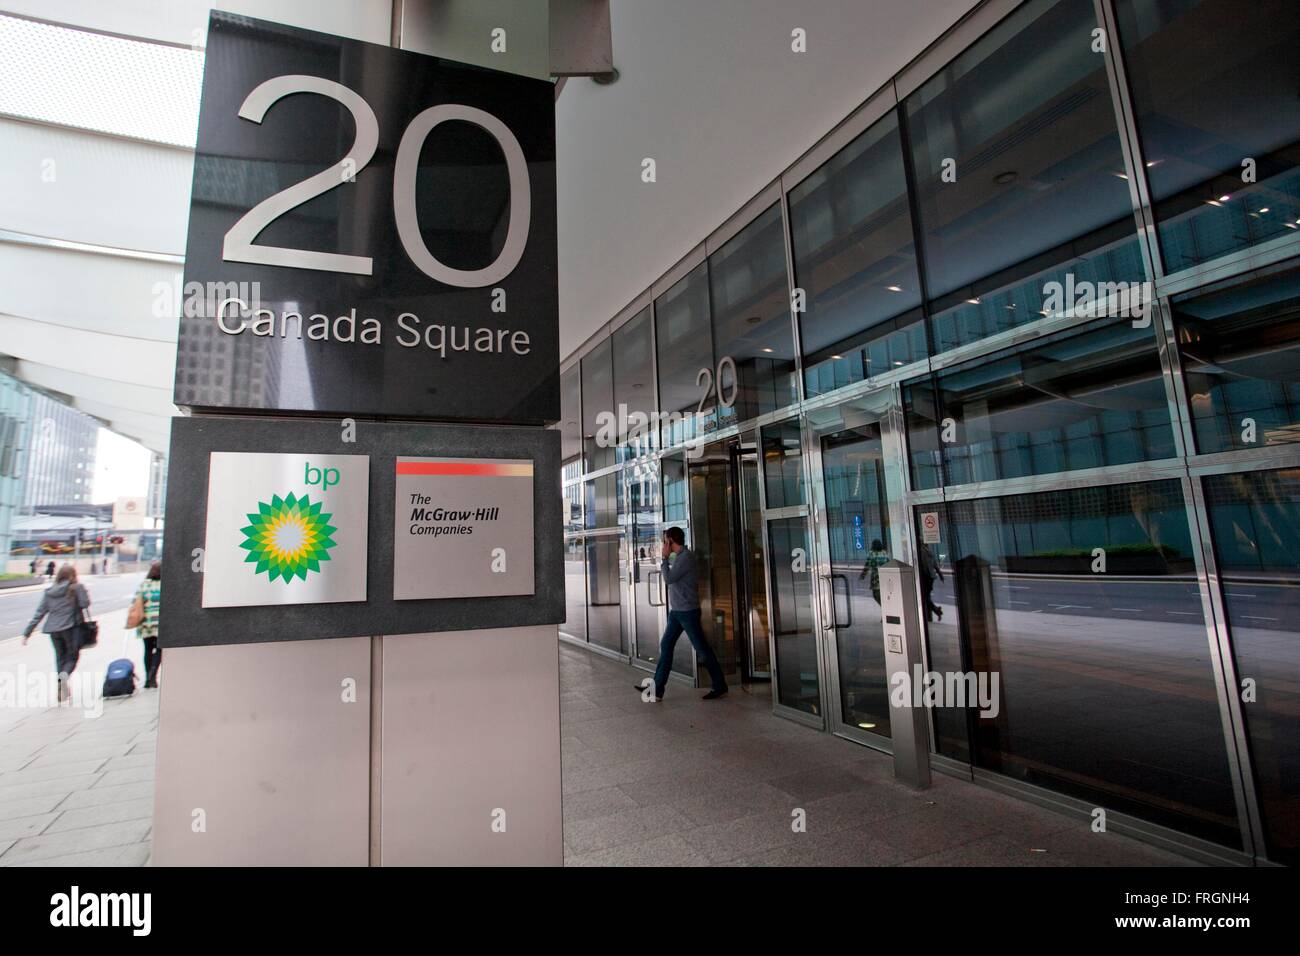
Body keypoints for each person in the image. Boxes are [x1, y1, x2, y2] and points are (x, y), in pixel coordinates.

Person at [635, 526, 728, 702]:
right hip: (677, 612)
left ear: (670, 541)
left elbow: (669, 578)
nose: (664, 545)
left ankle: (719, 684)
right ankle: (657, 689)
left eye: (665, 541)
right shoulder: (679, 557)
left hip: (687, 612)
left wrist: (663, 559)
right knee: (666, 645)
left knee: (702, 649)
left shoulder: (685, 557)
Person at [22, 564, 91, 703]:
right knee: (72, 657)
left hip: (53, 630)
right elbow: (85, 604)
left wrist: (27, 633)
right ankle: (63, 680)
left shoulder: (49, 591)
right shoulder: (76, 587)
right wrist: (83, 592)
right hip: (70, 628)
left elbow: (39, 613)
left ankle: (62, 688)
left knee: (60, 658)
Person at [134, 561, 163, 688]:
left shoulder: (144, 585)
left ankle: (147, 677)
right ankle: (153, 676)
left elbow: (135, 603)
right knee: (159, 649)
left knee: (147, 650)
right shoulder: (164, 585)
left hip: (146, 623)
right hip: (160, 623)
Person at [917, 542, 944, 622]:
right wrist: (940, 575)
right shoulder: (929, 552)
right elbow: (935, 565)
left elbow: (924, 566)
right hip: (931, 577)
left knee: (925, 597)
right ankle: (929, 617)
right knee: (927, 596)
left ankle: (937, 610)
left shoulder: (921, 552)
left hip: (925, 577)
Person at [859, 539, 890, 604]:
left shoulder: (871, 553)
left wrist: (862, 575)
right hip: (885, 577)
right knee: (884, 595)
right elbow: (889, 563)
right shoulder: (884, 553)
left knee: (876, 595)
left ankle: (885, 608)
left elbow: (867, 565)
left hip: (876, 579)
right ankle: (886, 607)